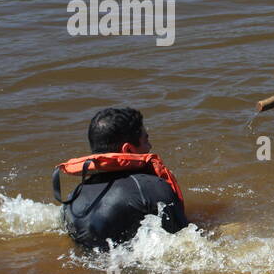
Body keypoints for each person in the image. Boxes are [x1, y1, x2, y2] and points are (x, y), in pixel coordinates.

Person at [53, 107, 188, 250]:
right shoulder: (151, 188)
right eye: (146, 140)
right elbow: (184, 239)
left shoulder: (71, 200)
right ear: (128, 150)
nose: (150, 146)